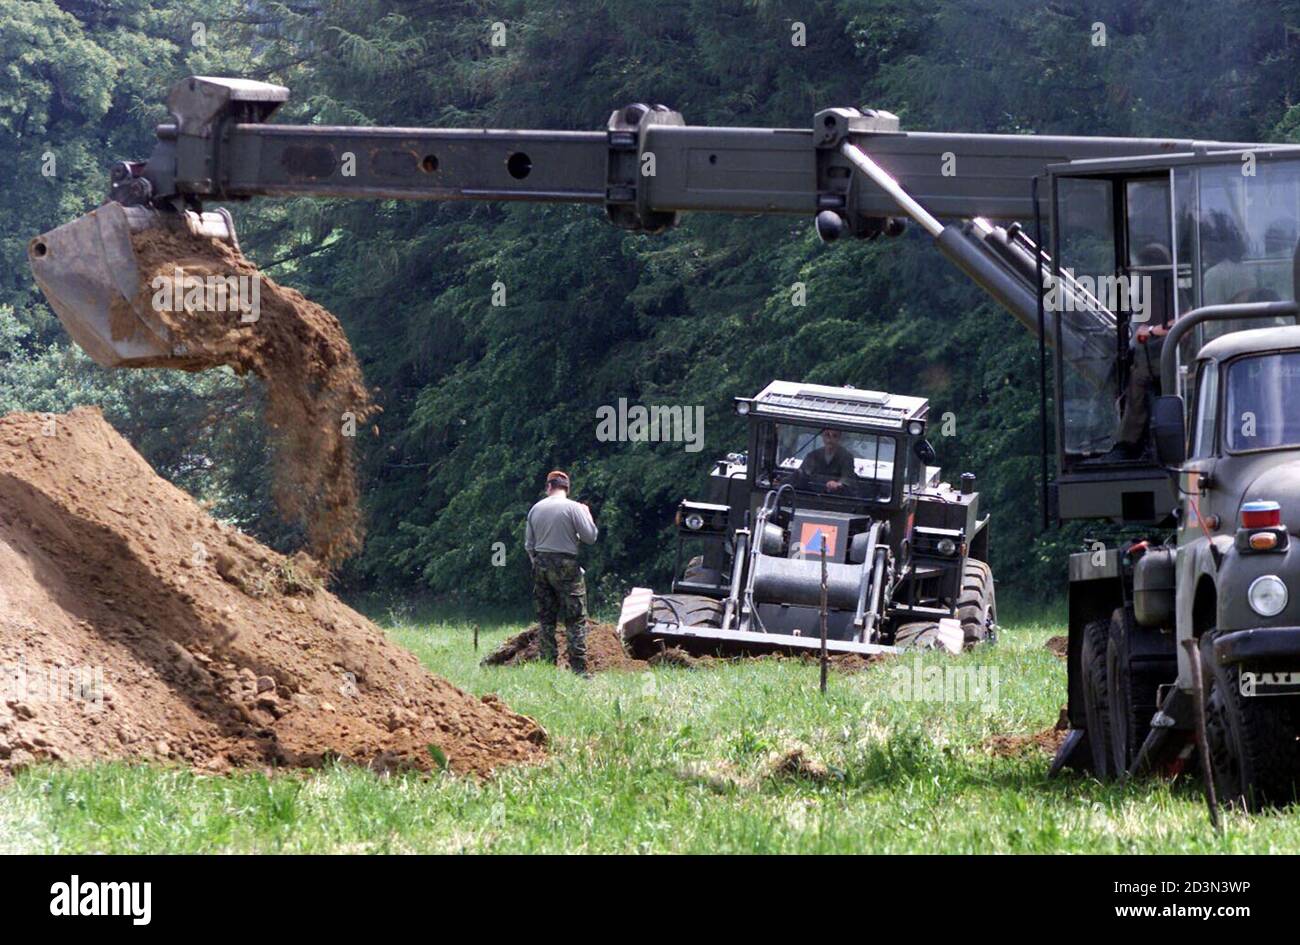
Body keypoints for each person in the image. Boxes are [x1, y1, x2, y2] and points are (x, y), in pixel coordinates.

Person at [524, 469, 598, 674]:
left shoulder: (535, 509)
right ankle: (579, 669)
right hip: (567, 565)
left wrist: (537, 564)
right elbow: (590, 537)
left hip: (541, 564)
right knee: (575, 618)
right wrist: (587, 514)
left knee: (546, 618)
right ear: (567, 488)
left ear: (549, 487)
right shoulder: (574, 508)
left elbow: (529, 545)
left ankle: (548, 664)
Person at [797, 428, 857, 493]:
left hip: (837, 498)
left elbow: (847, 478)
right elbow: (801, 474)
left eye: (834, 436)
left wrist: (838, 484)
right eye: (827, 435)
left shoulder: (846, 457)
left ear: (839, 438)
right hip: (813, 495)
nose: (830, 440)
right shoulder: (813, 455)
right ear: (822, 436)